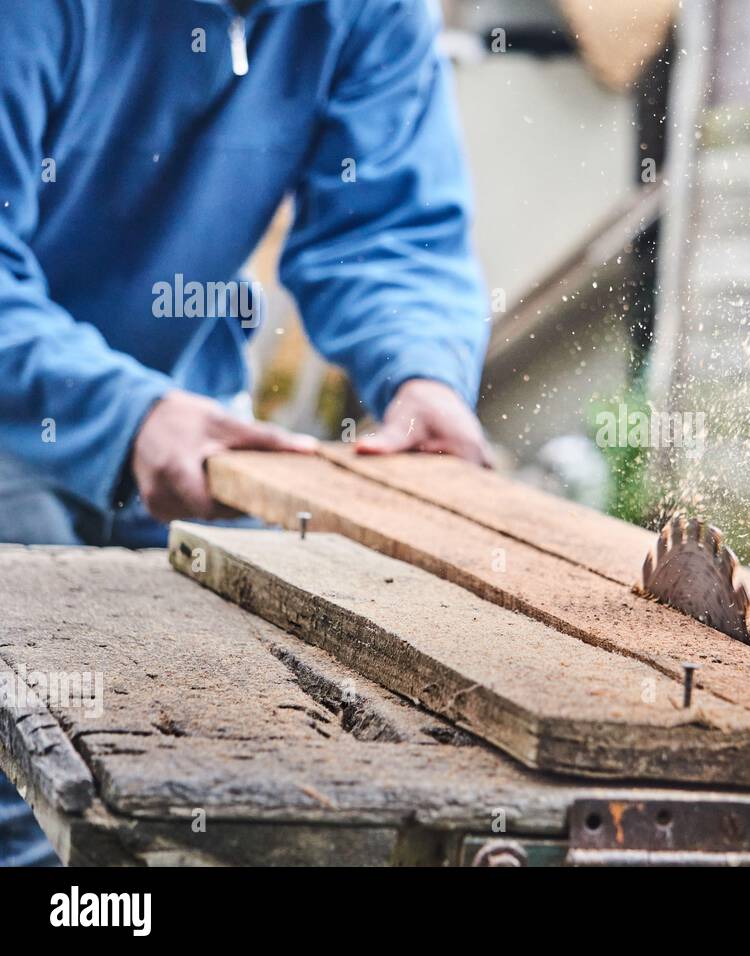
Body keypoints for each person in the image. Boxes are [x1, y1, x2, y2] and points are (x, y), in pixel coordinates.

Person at [0, 0, 491, 865]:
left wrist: (421, 373)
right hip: (25, 413)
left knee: (242, 748)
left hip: (193, 421)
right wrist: (125, 415)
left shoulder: (370, 12)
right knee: (40, 781)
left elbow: (388, 235)